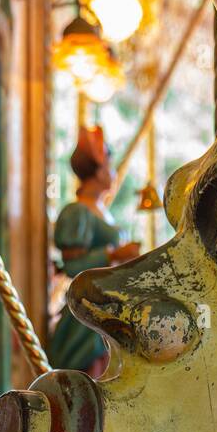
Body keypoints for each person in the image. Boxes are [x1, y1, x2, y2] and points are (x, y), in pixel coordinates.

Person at [48, 126, 140, 375]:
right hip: (88, 312)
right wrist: (113, 255)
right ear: (99, 172)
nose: (112, 172)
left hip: (109, 304)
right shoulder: (78, 212)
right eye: (109, 165)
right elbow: (73, 266)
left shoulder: (101, 210)